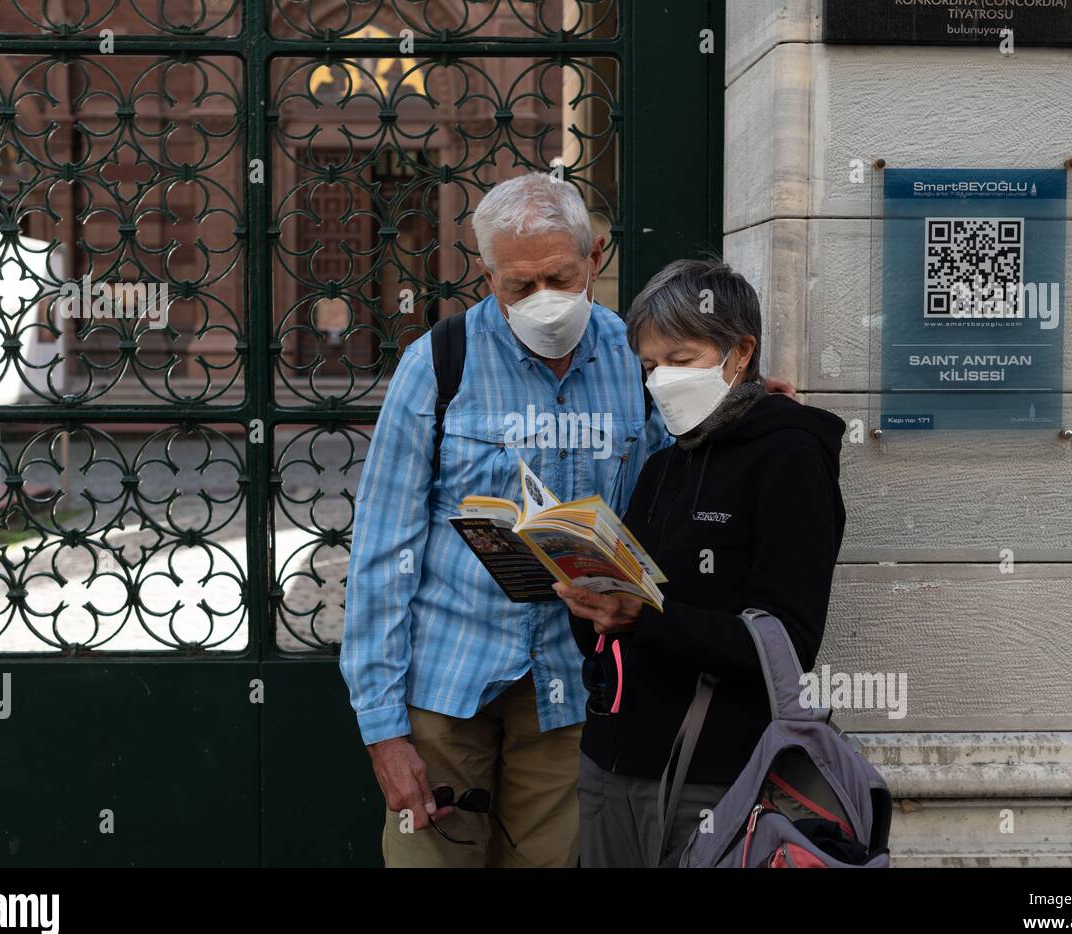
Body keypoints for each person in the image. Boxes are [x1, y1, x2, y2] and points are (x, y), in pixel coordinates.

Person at [339, 172, 672, 867]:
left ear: (597, 259)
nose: (544, 300)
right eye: (520, 285)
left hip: (572, 689)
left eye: (560, 275)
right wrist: (382, 731)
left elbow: (688, 481)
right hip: (444, 686)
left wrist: (757, 411)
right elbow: (381, 548)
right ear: (486, 277)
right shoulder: (439, 363)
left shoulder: (639, 360)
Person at [554, 258, 847, 867]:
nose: (661, 381)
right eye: (649, 365)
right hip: (611, 765)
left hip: (715, 779)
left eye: (681, 360)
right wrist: (589, 600)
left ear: (740, 353)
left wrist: (646, 618)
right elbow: (620, 621)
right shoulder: (666, 463)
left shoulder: (789, 458)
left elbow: (786, 644)